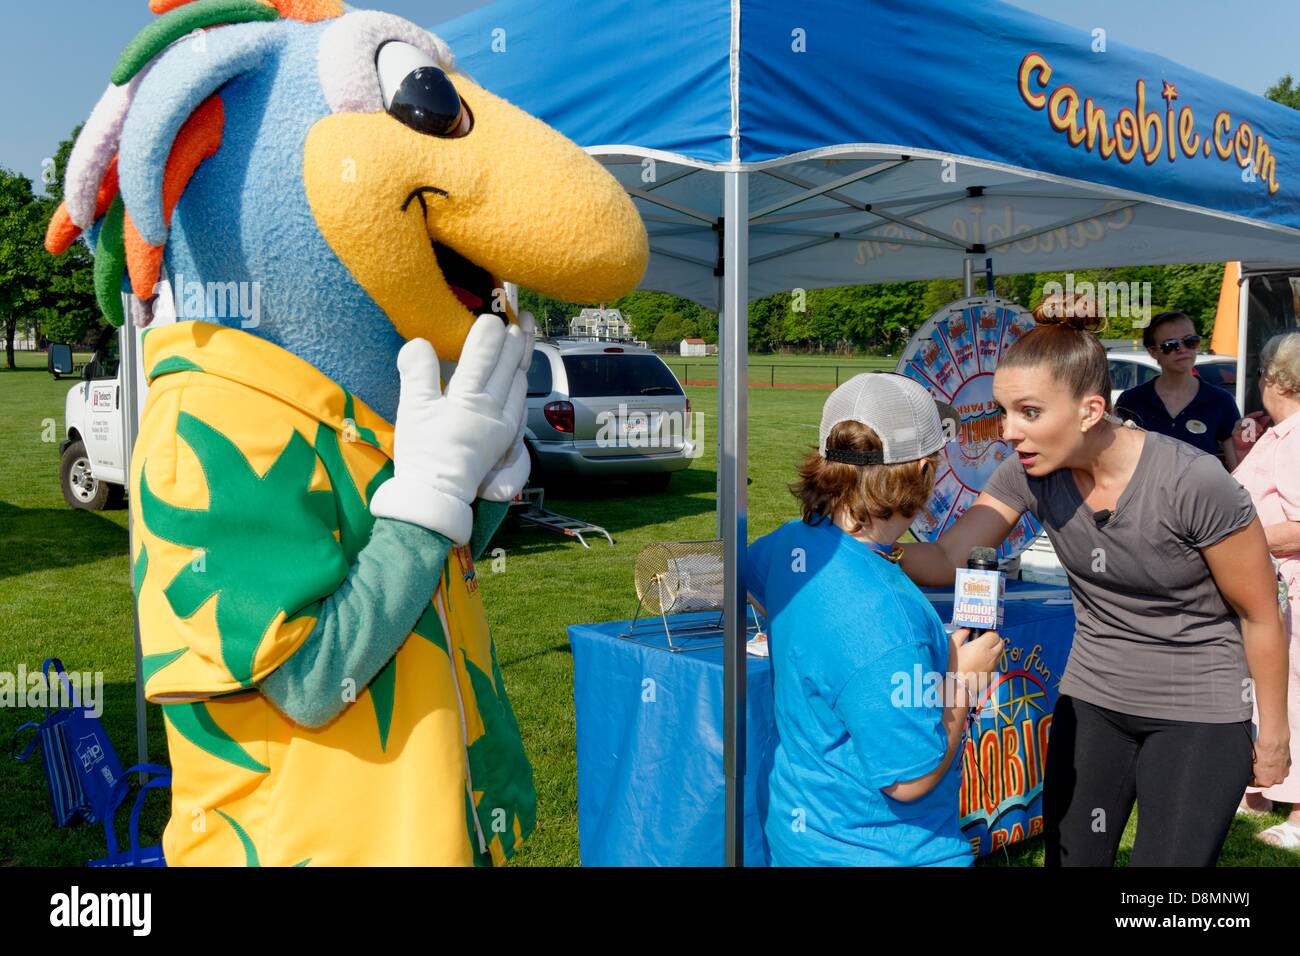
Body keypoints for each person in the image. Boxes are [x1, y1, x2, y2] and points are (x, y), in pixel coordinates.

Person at [900, 292, 1291, 867]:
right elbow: (949, 556)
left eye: (1029, 412)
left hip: (1200, 709)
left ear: (1089, 410)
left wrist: (1276, 734)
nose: (1008, 431)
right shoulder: (1029, 472)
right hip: (1095, 700)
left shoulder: (1193, 482)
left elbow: (1260, 614)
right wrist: (860, 551)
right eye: (1004, 411)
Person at [747, 373, 1004, 866]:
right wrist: (964, 682)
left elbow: (752, 581)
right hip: (887, 850)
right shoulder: (888, 621)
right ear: (925, 472)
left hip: (802, 838)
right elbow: (909, 779)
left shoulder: (789, 544)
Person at [1233, 332, 1300, 849]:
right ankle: (1264, 789)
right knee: (1272, 691)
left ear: (1275, 379)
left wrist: (1239, 543)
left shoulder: (1297, 438)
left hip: (1294, 587)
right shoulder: (1279, 434)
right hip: (1275, 587)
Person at [1115, 310, 1241, 468]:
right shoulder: (1132, 401)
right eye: (1170, 345)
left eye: (1190, 341)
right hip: (1147, 492)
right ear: (1153, 352)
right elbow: (1118, 463)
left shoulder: (1220, 401)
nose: (1182, 349)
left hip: (1200, 492)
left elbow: (1238, 468)